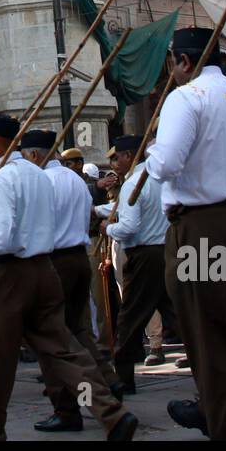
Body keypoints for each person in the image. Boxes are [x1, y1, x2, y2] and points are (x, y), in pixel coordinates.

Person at [0, 113, 137, 441]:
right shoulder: (38, 175)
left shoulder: (3, 178)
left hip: (10, 275)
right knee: (64, 354)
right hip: (44, 272)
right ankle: (109, 412)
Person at [142, 28, 226, 441]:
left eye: (172, 63)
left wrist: (150, 155)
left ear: (183, 62)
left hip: (201, 226)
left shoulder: (185, 97)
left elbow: (166, 165)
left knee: (206, 334)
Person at [21, 129, 124, 431]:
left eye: (27, 157)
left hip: (55, 262)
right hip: (79, 257)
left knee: (52, 338)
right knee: (78, 330)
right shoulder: (76, 181)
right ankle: (109, 379)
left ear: (36, 155)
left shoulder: (44, 181)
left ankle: (67, 407)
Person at [97, 133, 171, 398]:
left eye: (117, 157)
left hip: (144, 255)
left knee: (129, 318)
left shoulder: (133, 184)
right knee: (176, 312)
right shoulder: (159, 178)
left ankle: (124, 377)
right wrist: (102, 212)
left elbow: (129, 227)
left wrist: (109, 228)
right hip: (165, 250)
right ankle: (209, 360)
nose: (115, 162)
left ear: (130, 156)